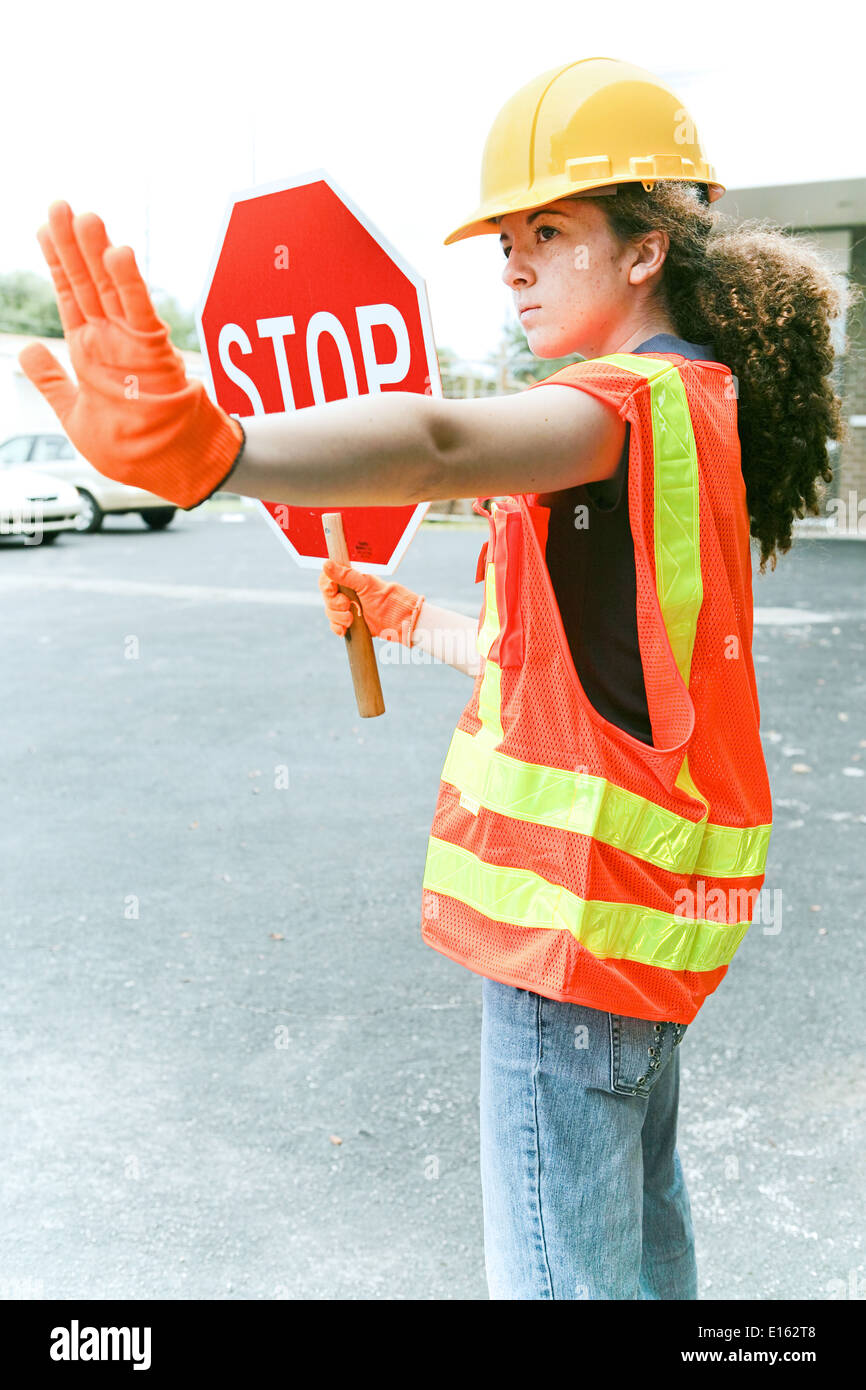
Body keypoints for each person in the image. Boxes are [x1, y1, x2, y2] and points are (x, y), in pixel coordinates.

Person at [19, 57, 856, 1301]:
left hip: (566, 945)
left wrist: (221, 451)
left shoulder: (615, 404)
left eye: (550, 231)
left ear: (644, 250)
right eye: (504, 240)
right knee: (642, 1244)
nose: (512, 263)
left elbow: (439, 437)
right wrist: (409, 615)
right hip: (646, 939)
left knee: (563, 1282)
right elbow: (573, 671)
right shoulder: (697, 409)